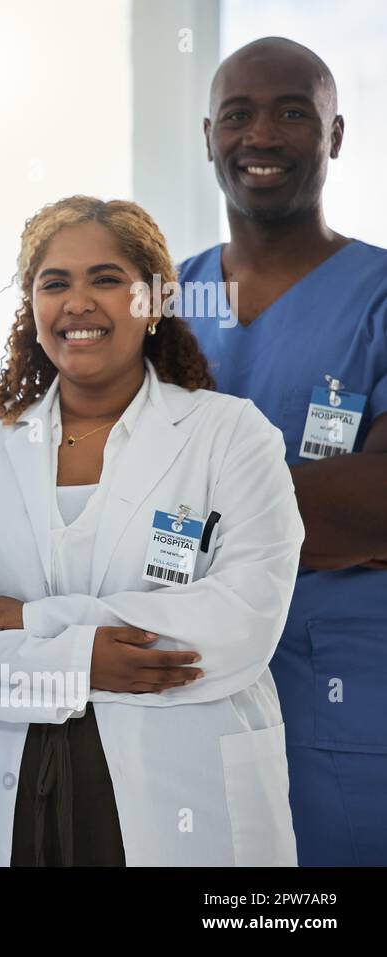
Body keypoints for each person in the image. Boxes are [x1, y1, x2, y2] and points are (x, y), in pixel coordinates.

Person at [0, 196, 303, 866]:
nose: (77, 301)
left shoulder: (231, 436)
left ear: (155, 300)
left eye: (106, 279)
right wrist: (79, 663)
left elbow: (240, 619)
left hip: (177, 793)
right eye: (55, 283)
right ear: (31, 306)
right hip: (1, 801)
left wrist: (32, 618)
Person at [178, 37, 387, 866]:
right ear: (208, 137)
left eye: (294, 112)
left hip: (345, 689)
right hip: (183, 683)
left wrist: (184, 513)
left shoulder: (377, 293)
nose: (261, 135)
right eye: (239, 114)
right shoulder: (156, 300)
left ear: (335, 135)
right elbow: (89, 480)